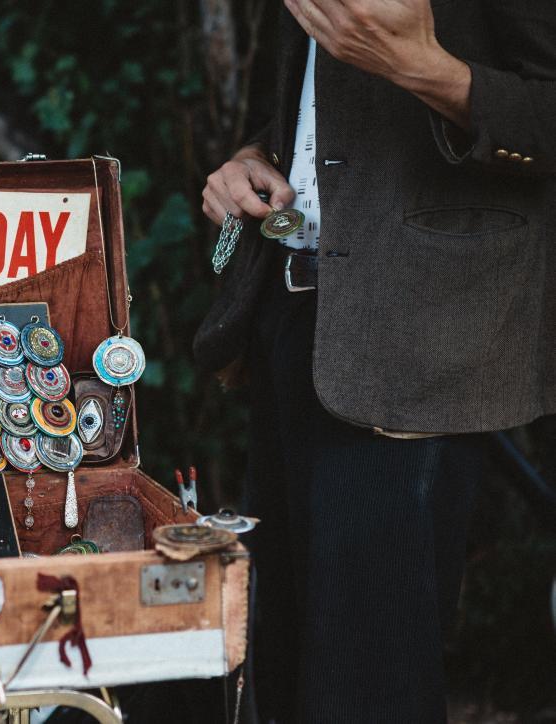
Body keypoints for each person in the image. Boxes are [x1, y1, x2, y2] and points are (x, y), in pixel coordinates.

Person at [194, 1, 556, 722]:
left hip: (420, 333)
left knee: (364, 688)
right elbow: (325, 119)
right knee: (282, 666)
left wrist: (422, 67)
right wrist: (250, 159)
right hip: (292, 315)